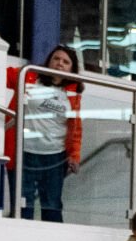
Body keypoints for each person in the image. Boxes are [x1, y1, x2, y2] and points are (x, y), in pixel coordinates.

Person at [5, 45, 84, 222]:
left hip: (55, 158)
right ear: (48, 61)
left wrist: (74, 155)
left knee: (52, 206)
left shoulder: (72, 93)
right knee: (22, 205)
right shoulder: (28, 75)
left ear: (72, 68)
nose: (60, 64)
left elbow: (76, 128)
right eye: (56, 59)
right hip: (22, 153)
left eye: (65, 62)